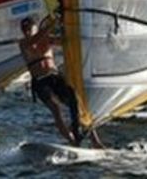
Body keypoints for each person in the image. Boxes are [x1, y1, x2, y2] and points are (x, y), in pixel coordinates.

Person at [18, 15, 102, 148]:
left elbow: (64, 41)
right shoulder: (23, 43)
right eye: (24, 29)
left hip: (55, 77)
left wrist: (66, 28)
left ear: (35, 27)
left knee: (78, 105)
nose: (27, 31)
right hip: (40, 81)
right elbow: (35, 40)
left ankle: (95, 141)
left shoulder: (46, 38)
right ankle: (73, 142)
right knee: (55, 108)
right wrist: (51, 24)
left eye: (29, 28)